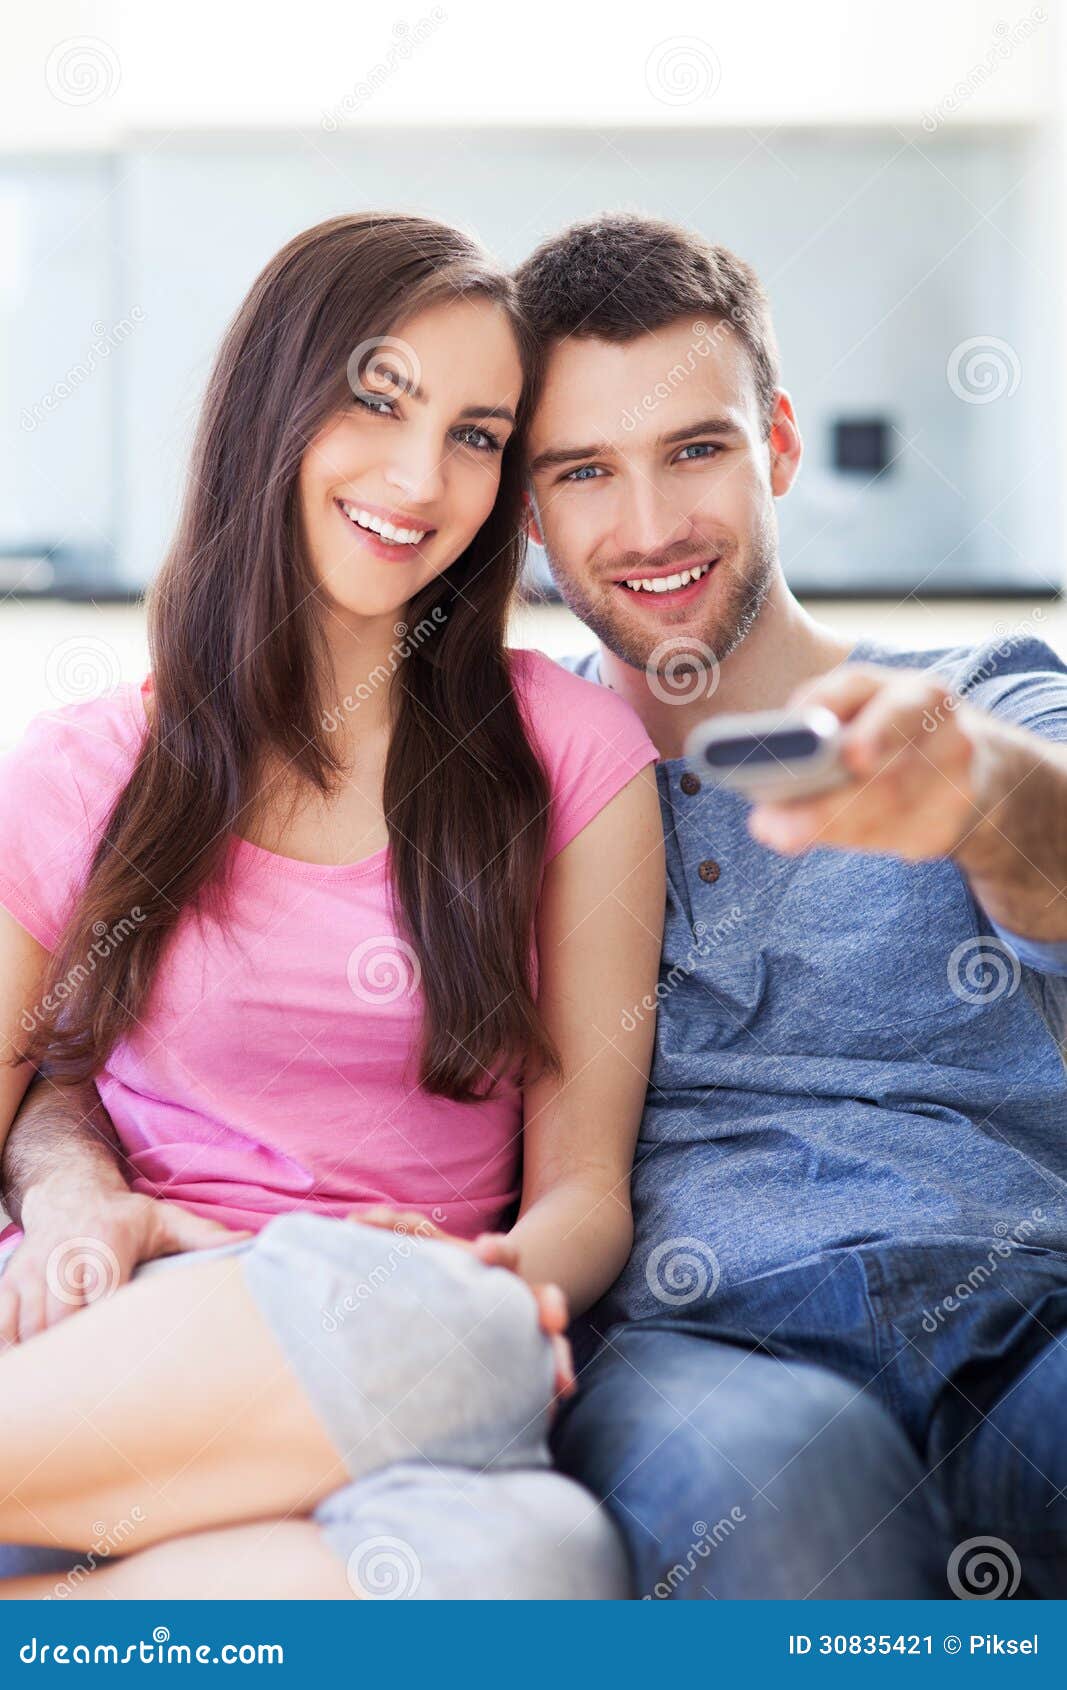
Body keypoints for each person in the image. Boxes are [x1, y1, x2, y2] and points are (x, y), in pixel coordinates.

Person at [0, 211, 665, 1599]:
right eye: (379, 399)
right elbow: (25, 1097)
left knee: (541, 1563)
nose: (422, 477)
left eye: (479, 435)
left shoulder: (575, 756)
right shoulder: (81, 771)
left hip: (407, 1354)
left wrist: (500, 1278)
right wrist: (86, 1195)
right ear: (274, 403)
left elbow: (585, 1193)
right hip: (115, 1324)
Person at [511, 214, 1067, 1600]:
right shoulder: (503, 782)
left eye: (696, 449)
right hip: (702, 1350)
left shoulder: (974, 697)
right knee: (794, 1506)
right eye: (585, 471)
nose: (648, 528)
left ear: (780, 443)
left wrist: (976, 796)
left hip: (1026, 1314)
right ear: (529, 511)